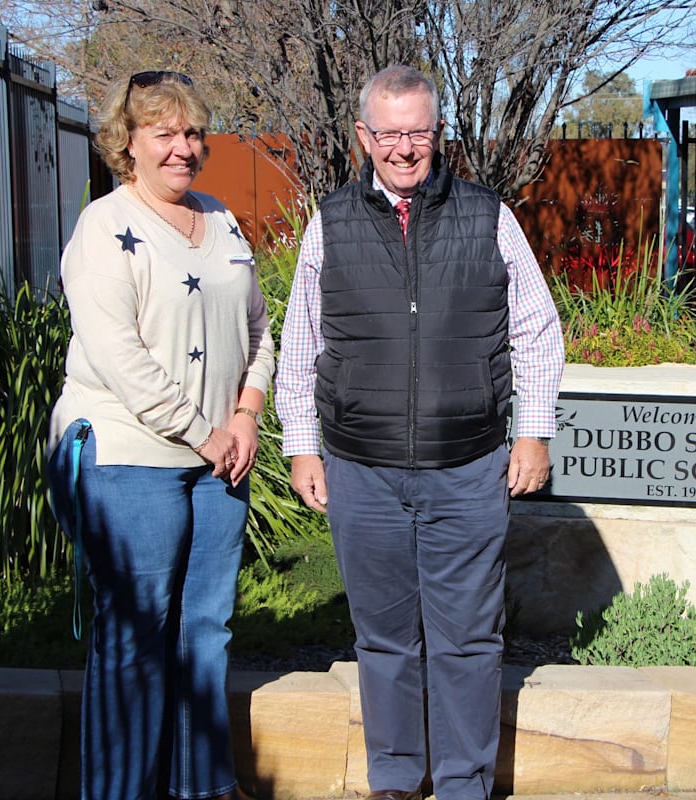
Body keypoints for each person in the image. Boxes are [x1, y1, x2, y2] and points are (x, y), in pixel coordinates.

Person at [274, 64, 565, 800]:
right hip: (361, 471)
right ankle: (397, 780)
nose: (406, 149)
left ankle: (465, 782)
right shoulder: (330, 222)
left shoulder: (487, 214)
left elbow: (535, 328)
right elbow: (300, 342)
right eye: (391, 133)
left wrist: (531, 432)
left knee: (468, 641)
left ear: (438, 134)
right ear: (364, 137)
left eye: (420, 133)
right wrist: (302, 444)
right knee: (385, 641)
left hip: (466, 468)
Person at [45, 71, 274, 800]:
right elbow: (119, 356)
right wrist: (200, 430)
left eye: (193, 133)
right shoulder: (105, 228)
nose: (184, 148)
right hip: (130, 460)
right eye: (164, 133)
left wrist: (243, 416)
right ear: (128, 144)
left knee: (205, 631)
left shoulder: (223, 220)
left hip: (219, 460)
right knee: (135, 640)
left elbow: (260, 331)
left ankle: (202, 786)